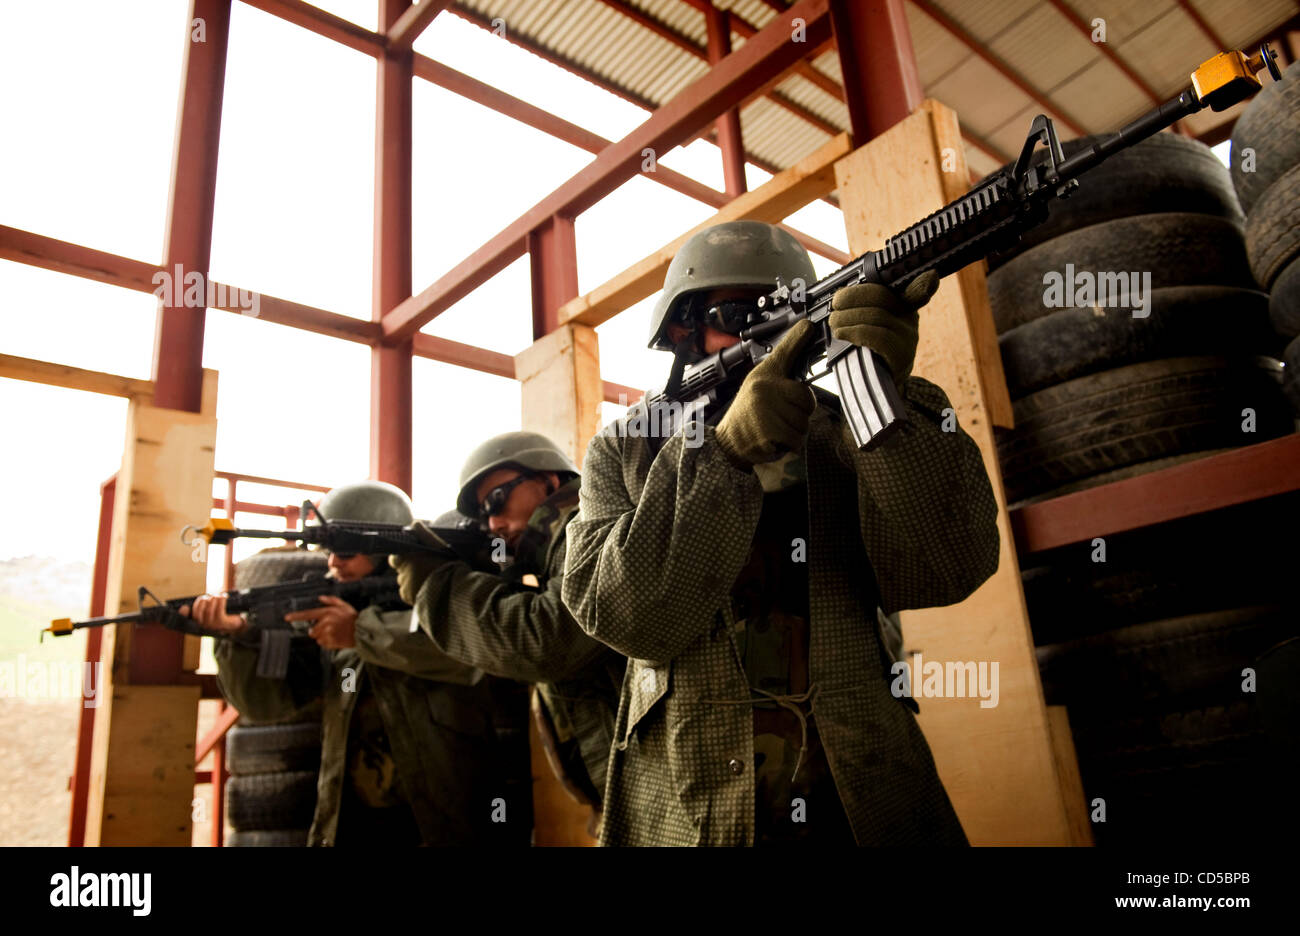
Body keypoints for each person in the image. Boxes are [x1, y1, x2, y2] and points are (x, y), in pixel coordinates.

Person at [560, 220, 1001, 846]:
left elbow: (952, 567)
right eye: (739, 315)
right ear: (685, 332)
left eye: (791, 315)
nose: (768, 338)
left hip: (857, 790)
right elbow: (621, 616)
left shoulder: (848, 424)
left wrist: (890, 404)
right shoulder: (628, 448)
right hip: (689, 800)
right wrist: (726, 454)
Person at [187, 481, 532, 846]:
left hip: (442, 821)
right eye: (328, 551)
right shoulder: (333, 608)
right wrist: (240, 636)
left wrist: (360, 633)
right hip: (353, 821)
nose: (334, 563)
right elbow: (270, 702)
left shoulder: (444, 592)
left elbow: (468, 653)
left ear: (385, 549)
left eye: (347, 551)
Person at [389, 432, 626, 820]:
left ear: (549, 479)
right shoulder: (547, 555)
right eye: (484, 516)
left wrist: (438, 586)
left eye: (497, 501)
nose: (495, 523)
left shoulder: (590, 524)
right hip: (622, 795)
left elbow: (547, 642)